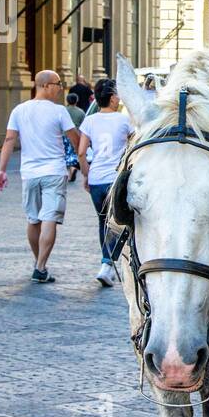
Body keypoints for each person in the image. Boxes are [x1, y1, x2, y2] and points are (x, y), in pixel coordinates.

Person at [0, 70, 80, 283]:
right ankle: (40, 265)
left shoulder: (19, 110)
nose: (60, 88)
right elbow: (75, 138)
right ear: (44, 85)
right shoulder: (59, 111)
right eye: (57, 83)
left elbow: (8, 140)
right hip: (54, 172)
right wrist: (83, 159)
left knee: (33, 220)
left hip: (30, 174)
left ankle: (39, 265)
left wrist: (1, 170)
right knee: (49, 218)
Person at [78, 78, 135, 287]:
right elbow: (133, 146)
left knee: (103, 221)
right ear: (112, 98)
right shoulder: (123, 121)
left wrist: (86, 175)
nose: (119, 98)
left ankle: (107, 264)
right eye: (117, 95)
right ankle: (112, 264)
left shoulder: (90, 121)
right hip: (116, 179)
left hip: (96, 180)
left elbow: (82, 152)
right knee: (123, 222)